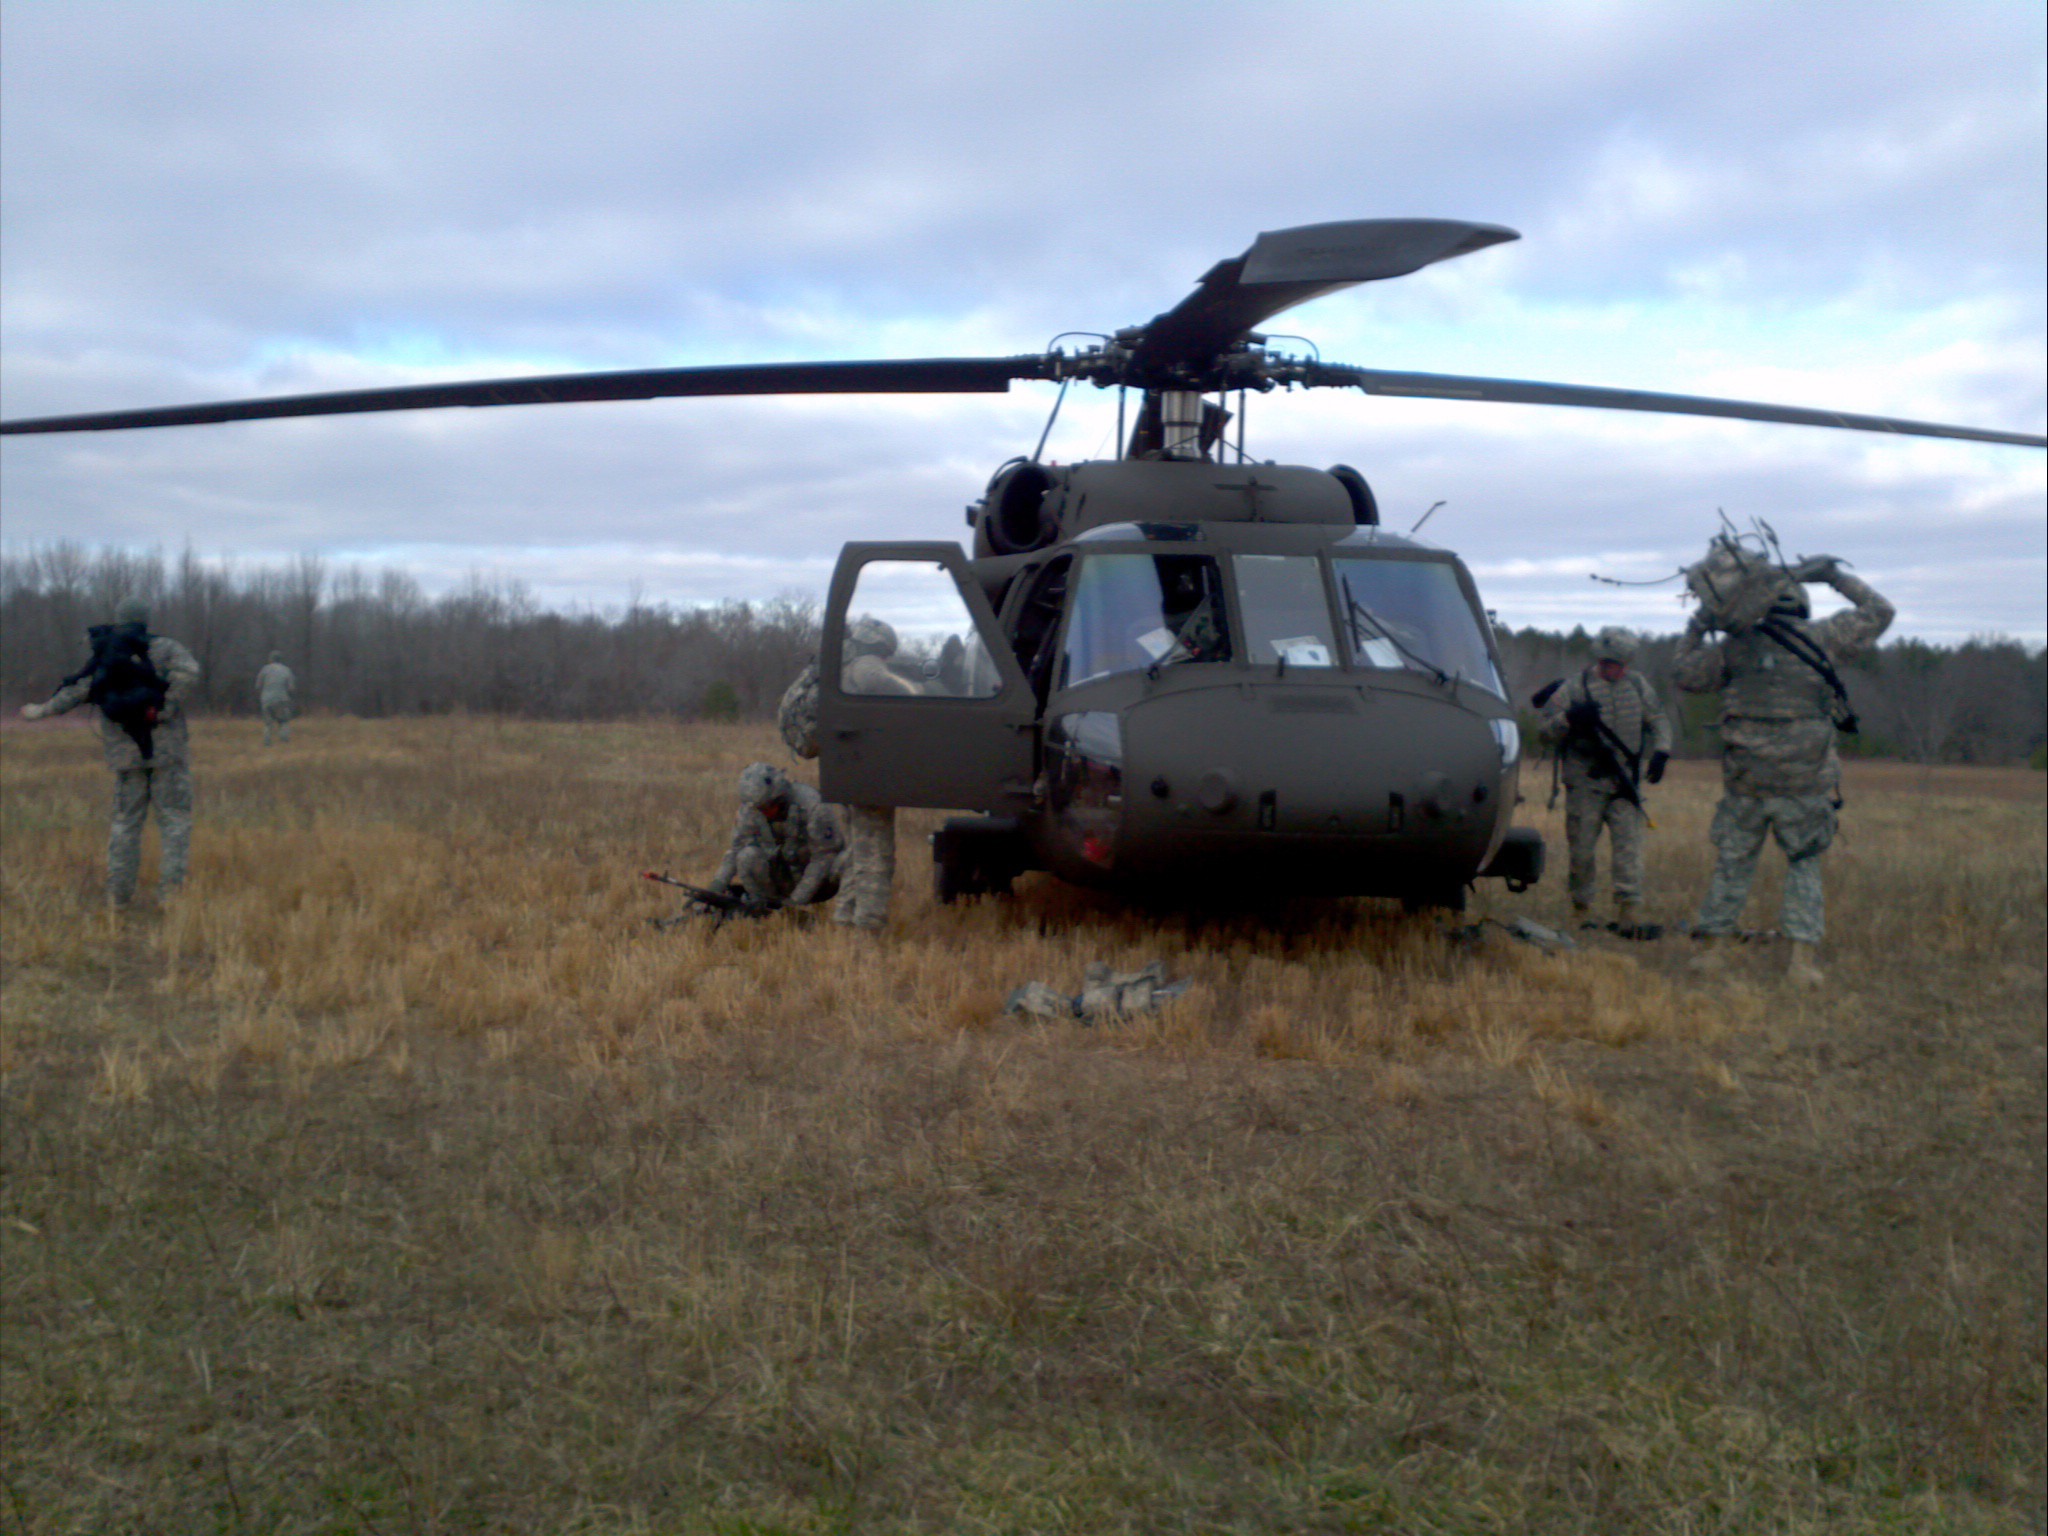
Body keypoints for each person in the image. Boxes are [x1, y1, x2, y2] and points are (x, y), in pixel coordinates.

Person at [1673, 556, 1893, 985]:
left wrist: (1699, 624)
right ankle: (1801, 963)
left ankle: (1714, 952)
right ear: (1802, 604)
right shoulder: (1827, 637)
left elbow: (1686, 673)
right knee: (1804, 864)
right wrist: (1834, 576)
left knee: (1733, 864)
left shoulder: (1735, 647)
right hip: (1804, 779)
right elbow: (1881, 612)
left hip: (1747, 780)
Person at [19, 596, 202, 908]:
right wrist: (166, 708)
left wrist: (40, 711)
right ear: (146, 619)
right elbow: (190, 672)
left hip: (125, 756)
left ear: (118, 619)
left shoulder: (106, 652)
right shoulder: (166, 648)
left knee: (125, 824)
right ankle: (170, 896)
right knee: (174, 822)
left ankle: (118, 895)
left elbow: (78, 690)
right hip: (167, 753)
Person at [776, 616, 914, 932]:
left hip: (850, 771)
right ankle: (868, 927)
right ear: (881, 644)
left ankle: (845, 919)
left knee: (856, 850)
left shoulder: (843, 663)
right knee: (874, 854)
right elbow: (883, 686)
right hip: (867, 774)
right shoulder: (866, 664)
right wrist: (920, 690)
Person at [1538, 626, 1673, 935]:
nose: (1619, 669)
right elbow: (1543, 732)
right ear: (1601, 659)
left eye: (1624, 664)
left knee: (1629, 850)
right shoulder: (1574, 689)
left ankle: (1629, 912)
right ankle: (1581, 911)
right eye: (1613, 663)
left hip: (1624, 783)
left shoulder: (1638, 686)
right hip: (1585, 782)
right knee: (1582, 851)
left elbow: (1659, 720)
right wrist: (1569, 720)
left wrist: (1662, 751)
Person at [707, 762, 845, 910]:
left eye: (768, 807)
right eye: (760, 809)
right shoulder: (751, 809)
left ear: (779, 796)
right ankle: (765, 907)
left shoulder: (813, 806)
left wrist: (796, 900)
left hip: (821, 883)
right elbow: (736, 850)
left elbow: (824, 857)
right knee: (746, 856)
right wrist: (717, 886)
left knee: (844, 862)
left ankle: (849, 913)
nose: (764, 812)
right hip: (784, 879)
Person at [256, 651, 297, 745]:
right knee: (284, 722)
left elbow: (258, 686)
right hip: (281, 699)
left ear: (270, 659)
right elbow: (291, 688)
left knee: (268, 724)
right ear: (280, 659)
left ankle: (267, 743)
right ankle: (284, 742)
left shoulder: (264, 669)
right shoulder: (287, 670)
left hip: (266, 700)